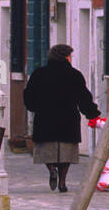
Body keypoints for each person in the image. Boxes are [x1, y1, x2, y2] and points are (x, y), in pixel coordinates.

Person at [22, 44, 102, 192]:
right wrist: (92, 113)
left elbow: (28, 95)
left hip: (45, 117)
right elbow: (83, 97)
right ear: (66, 57)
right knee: (67, 152)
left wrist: (34, 107)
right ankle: (63, 182)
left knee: (46, 150)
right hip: (68, 118)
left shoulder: (39, 74)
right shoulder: (74, 75)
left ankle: (52, 168)